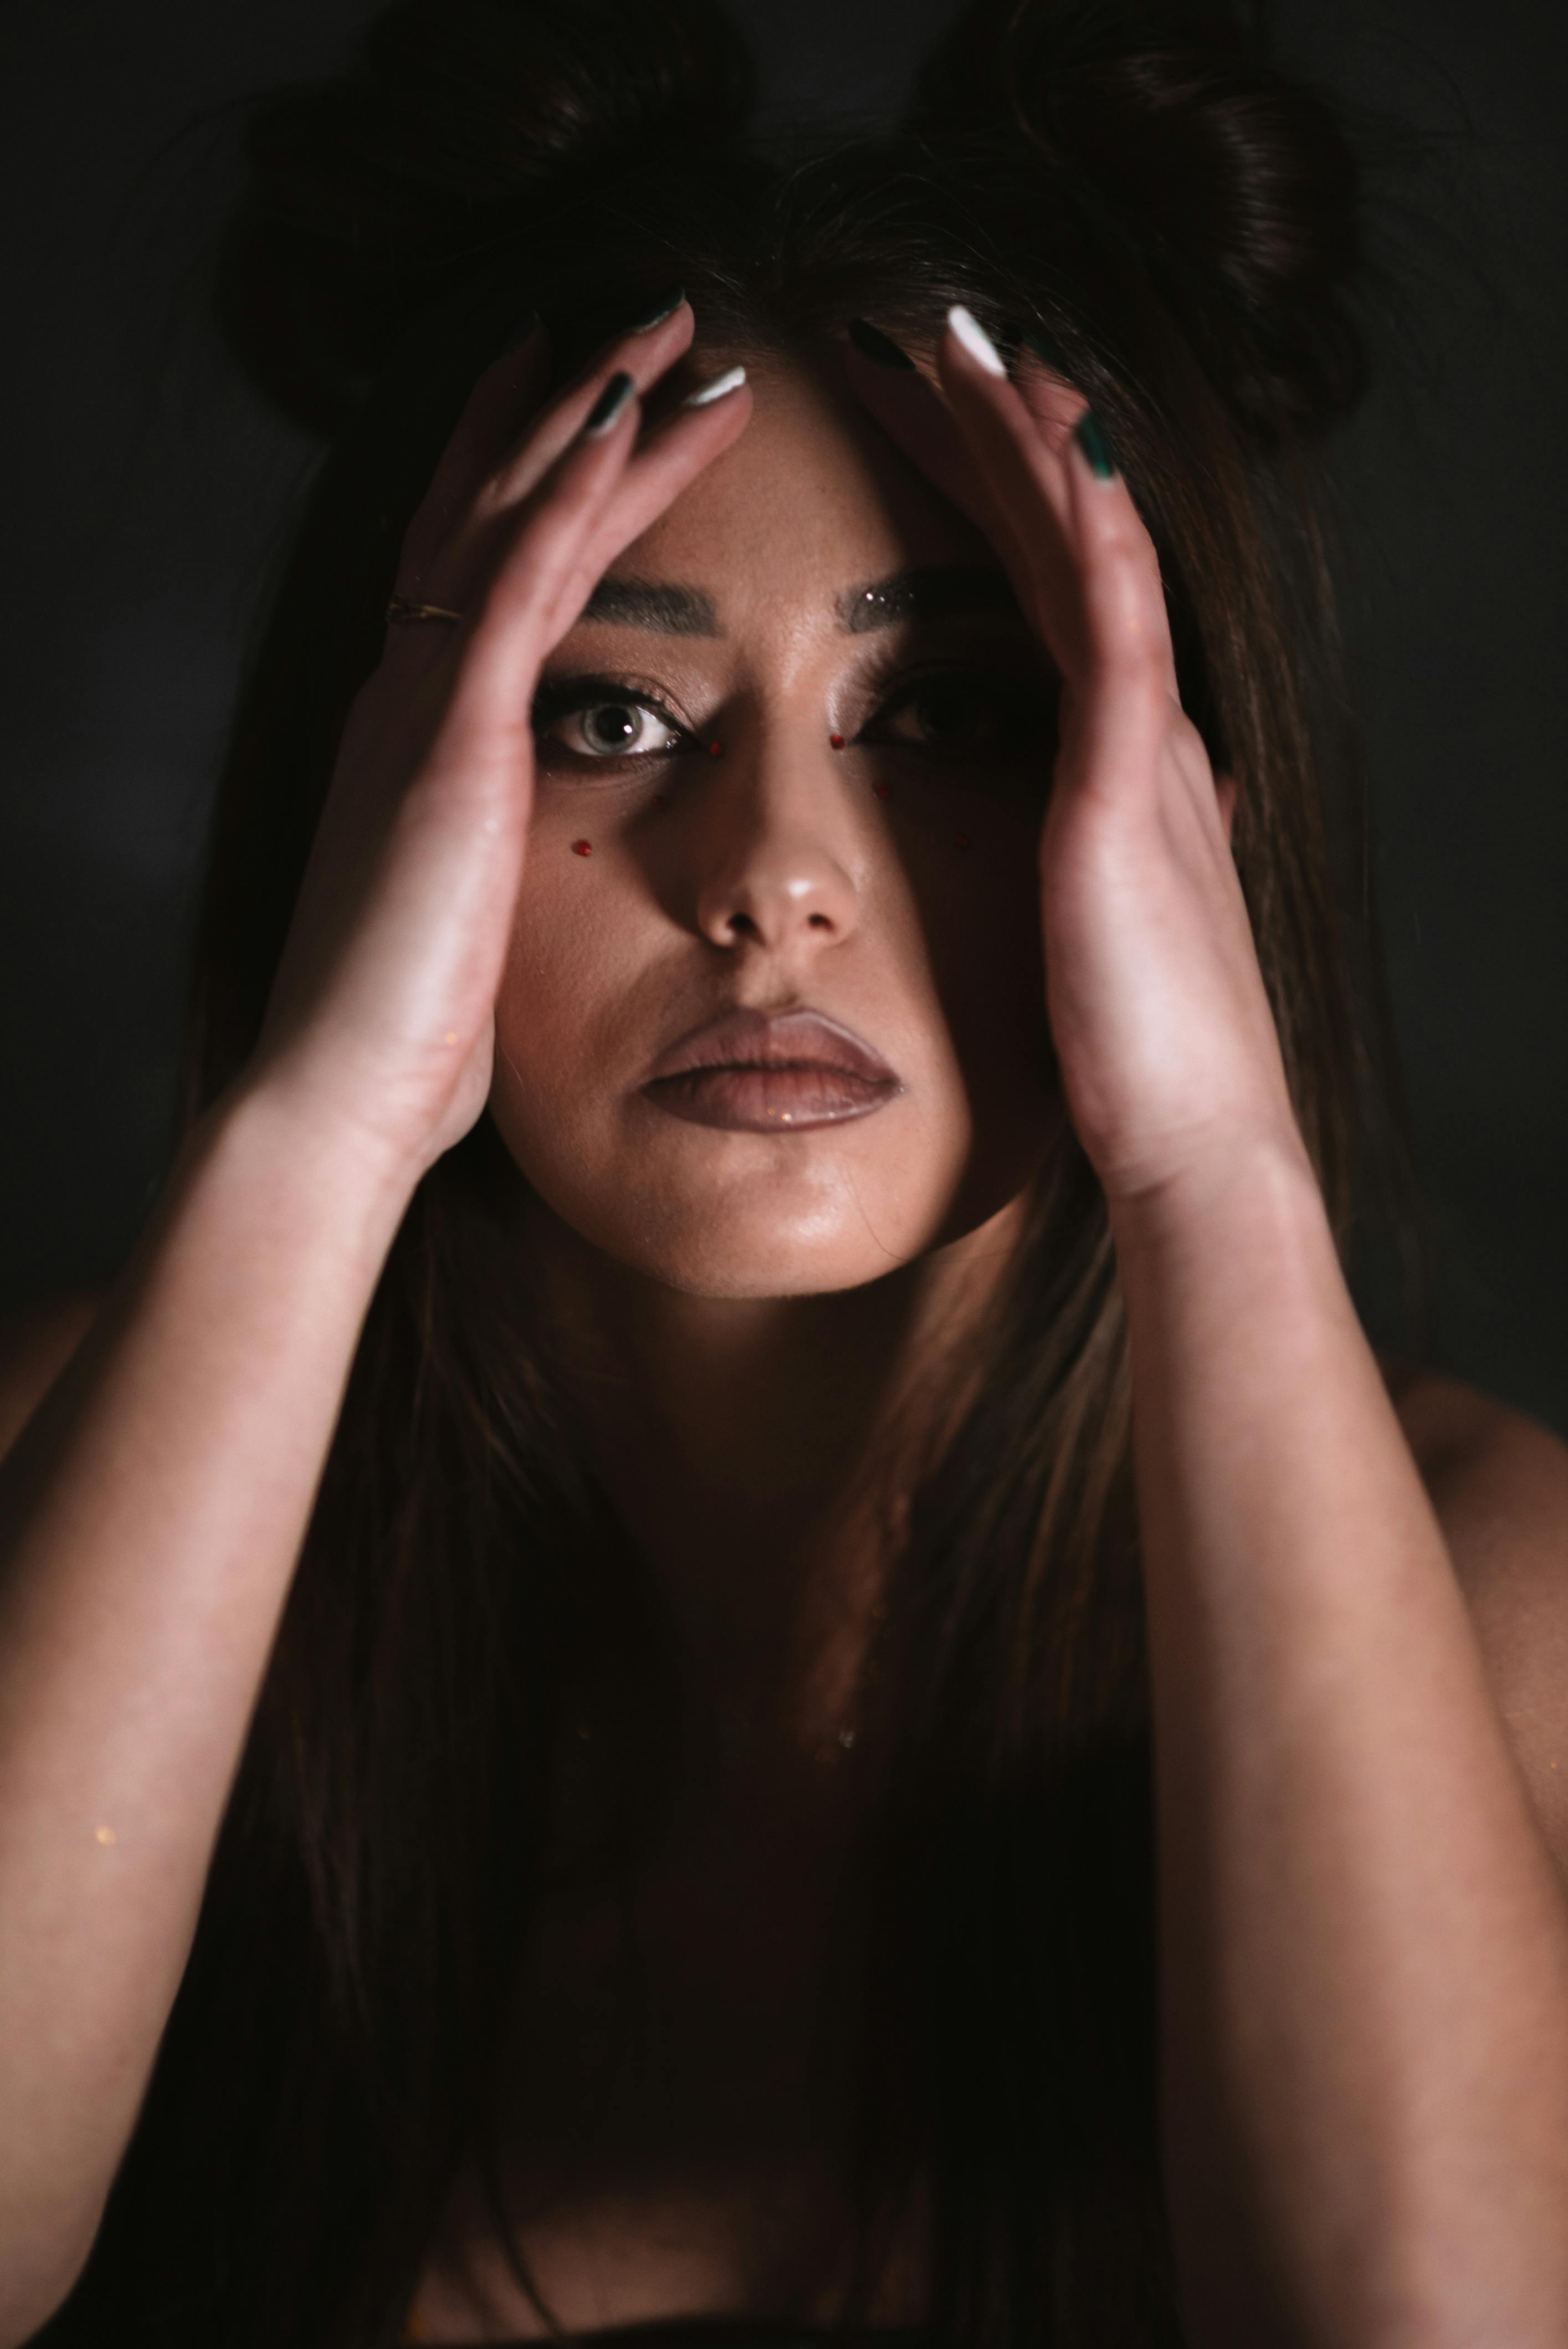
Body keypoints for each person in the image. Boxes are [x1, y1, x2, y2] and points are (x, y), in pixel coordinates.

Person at [3, 0, 1567, 2341]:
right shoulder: (50, 1474)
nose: (772, 880)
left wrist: (1226, 1162)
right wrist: (318, 1123)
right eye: (607, 718)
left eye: (944, 715)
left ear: (1174, 796)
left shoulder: (1505, 1594)